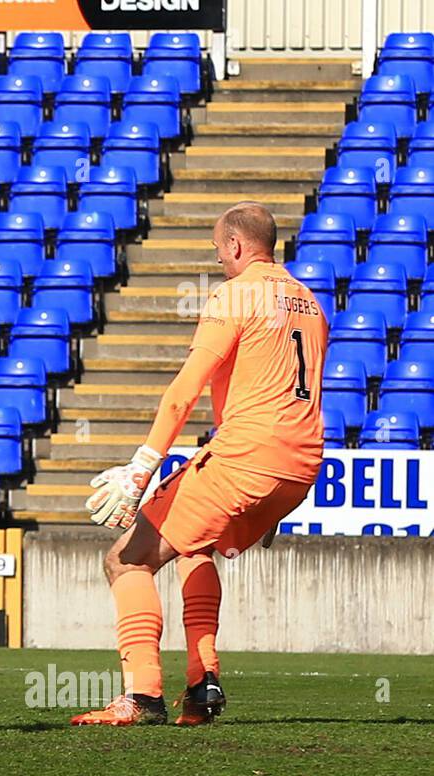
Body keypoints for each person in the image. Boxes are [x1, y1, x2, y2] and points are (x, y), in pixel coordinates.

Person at [77, 203, 326, 727]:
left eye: (218, 249)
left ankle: (141, 697)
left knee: (127, 559)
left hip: (245, 457)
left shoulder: (235, 295)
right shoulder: (309, 302)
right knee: (196, 547)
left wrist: (142, 465)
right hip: (300, 466)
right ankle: (202, 686)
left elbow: (184, 390)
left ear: (235, 245)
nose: (218, 259)